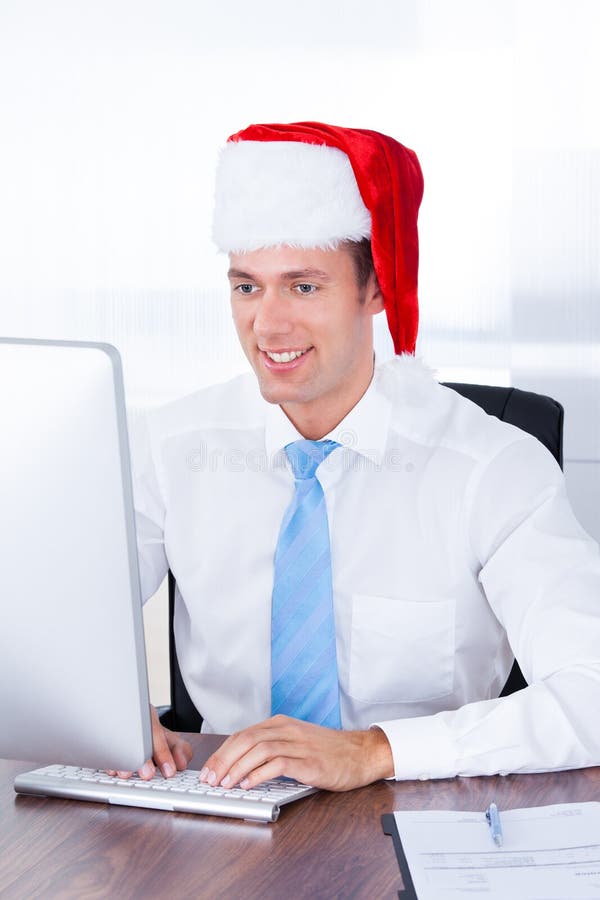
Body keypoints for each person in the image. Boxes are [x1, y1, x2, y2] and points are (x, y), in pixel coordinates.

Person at [126, 121, 600, 792]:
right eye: (247, 287)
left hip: (423, 806)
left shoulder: (493, 468)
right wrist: (109, 711)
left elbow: (591, 690)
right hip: (222, 804)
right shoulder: (171, 447)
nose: (268, 324)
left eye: (304, 287)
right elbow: (57, 620)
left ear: (376, 289)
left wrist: (375, 751)